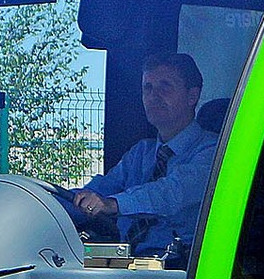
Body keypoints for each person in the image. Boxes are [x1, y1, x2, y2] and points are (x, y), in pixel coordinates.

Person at [68, 53, 217, 258]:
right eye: (148, 88)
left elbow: (171, 193)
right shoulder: (140, 153)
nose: (153, 96)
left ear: (192, 96)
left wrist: (113, 204)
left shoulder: (214, 151)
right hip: (126, 263)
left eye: (165, 86)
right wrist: (54, 201)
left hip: (183, 267)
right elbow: (100, 189)